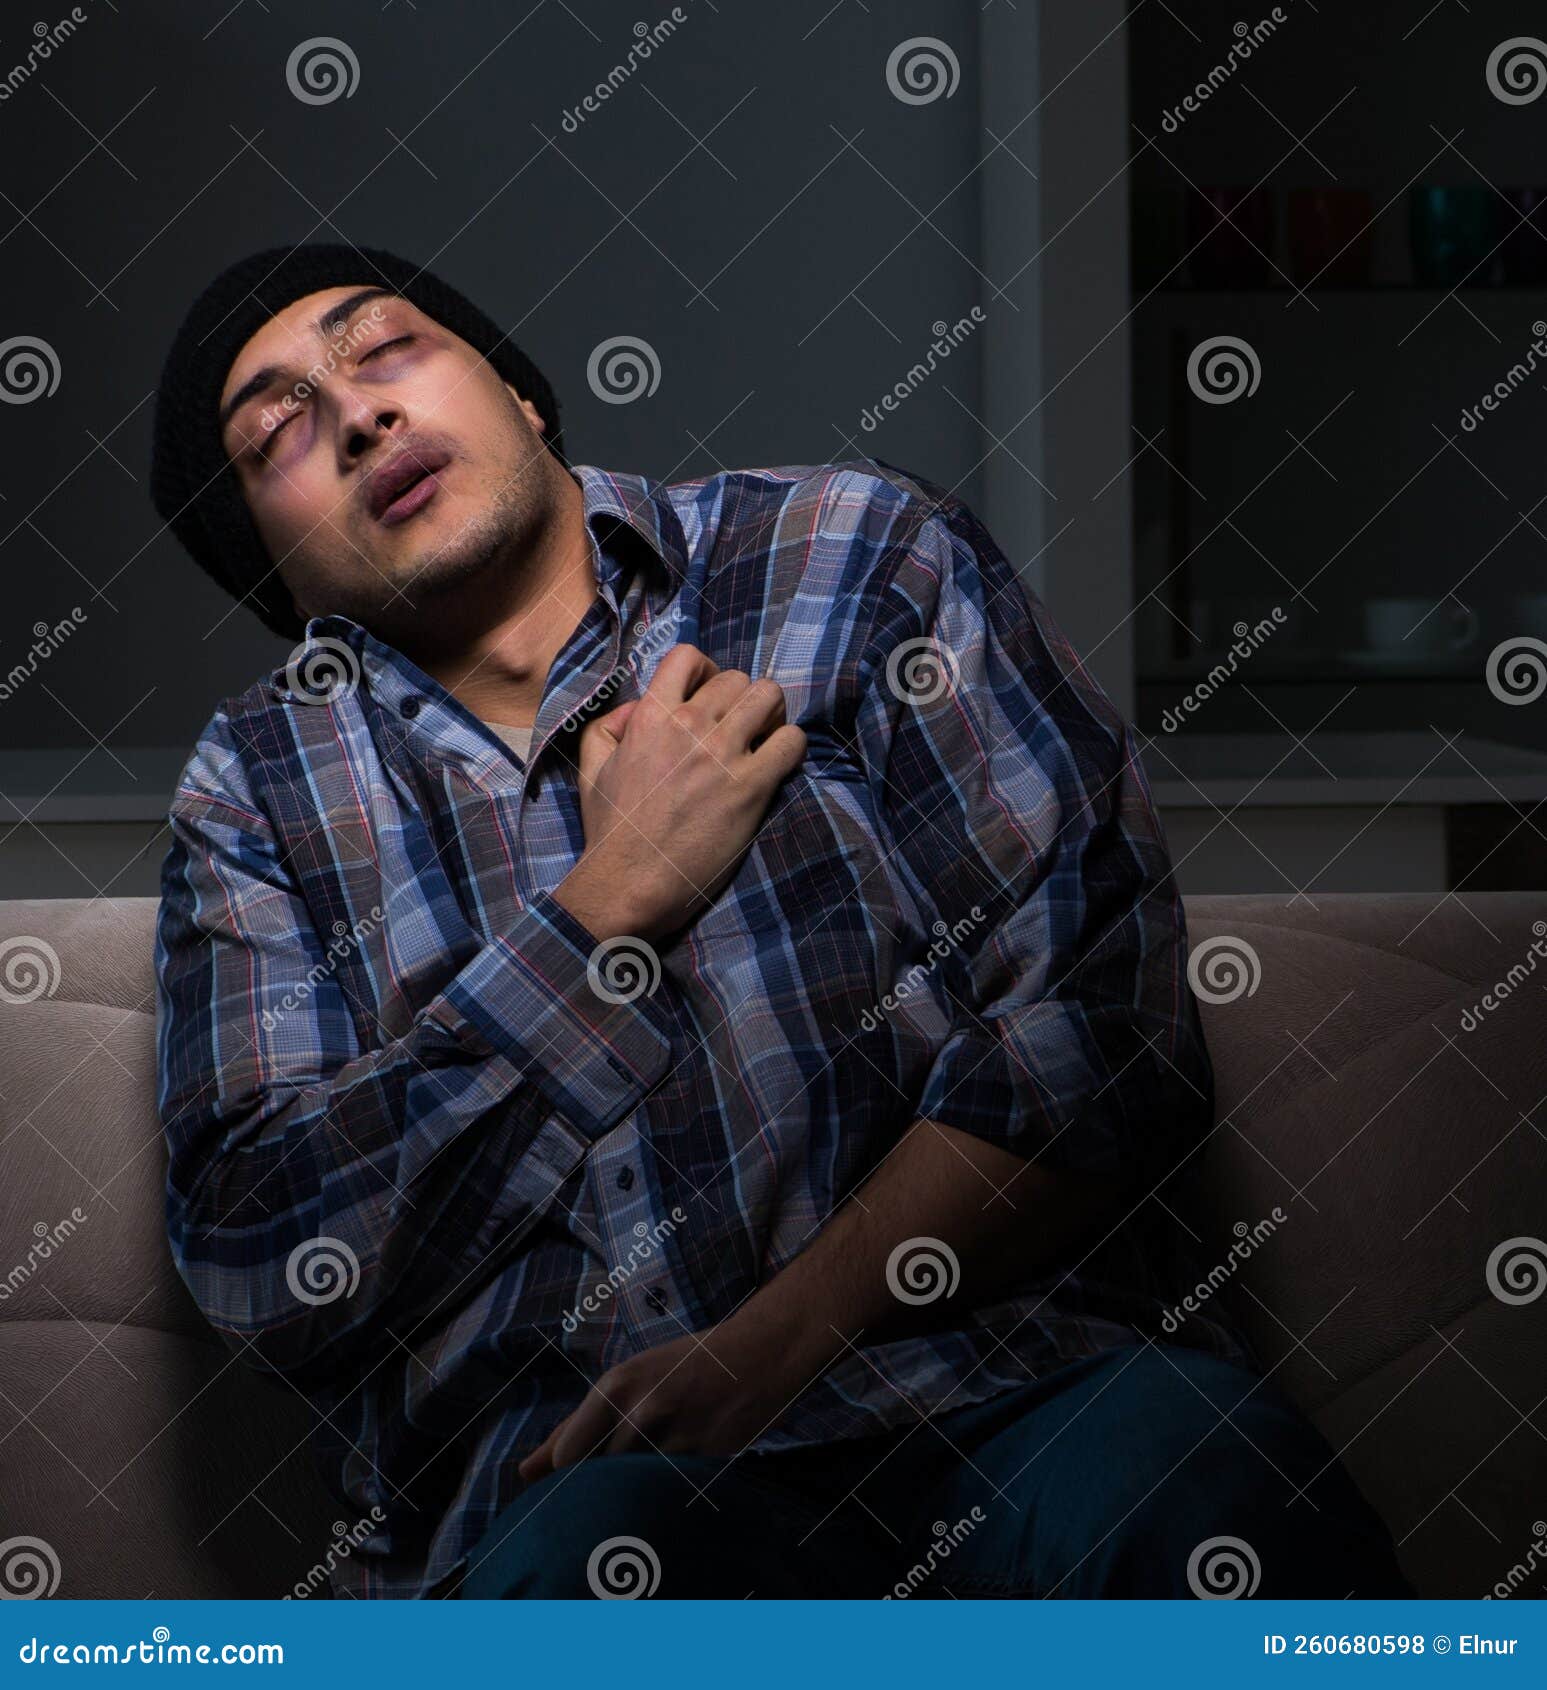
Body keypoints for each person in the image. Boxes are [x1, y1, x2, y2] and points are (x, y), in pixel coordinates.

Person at [148, 243, 1410, 1599]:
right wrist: (610, 907)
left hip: (1005, 1405)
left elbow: (1103, 1029)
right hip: (572, 1501)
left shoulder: (850, 555)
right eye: (276, 429)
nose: (355, 415)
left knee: (1192, 1466)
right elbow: (265, 1257)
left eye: (386, 346)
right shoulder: (258, 790)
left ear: (518, 393)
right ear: (273, 571)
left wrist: (771, 1348)